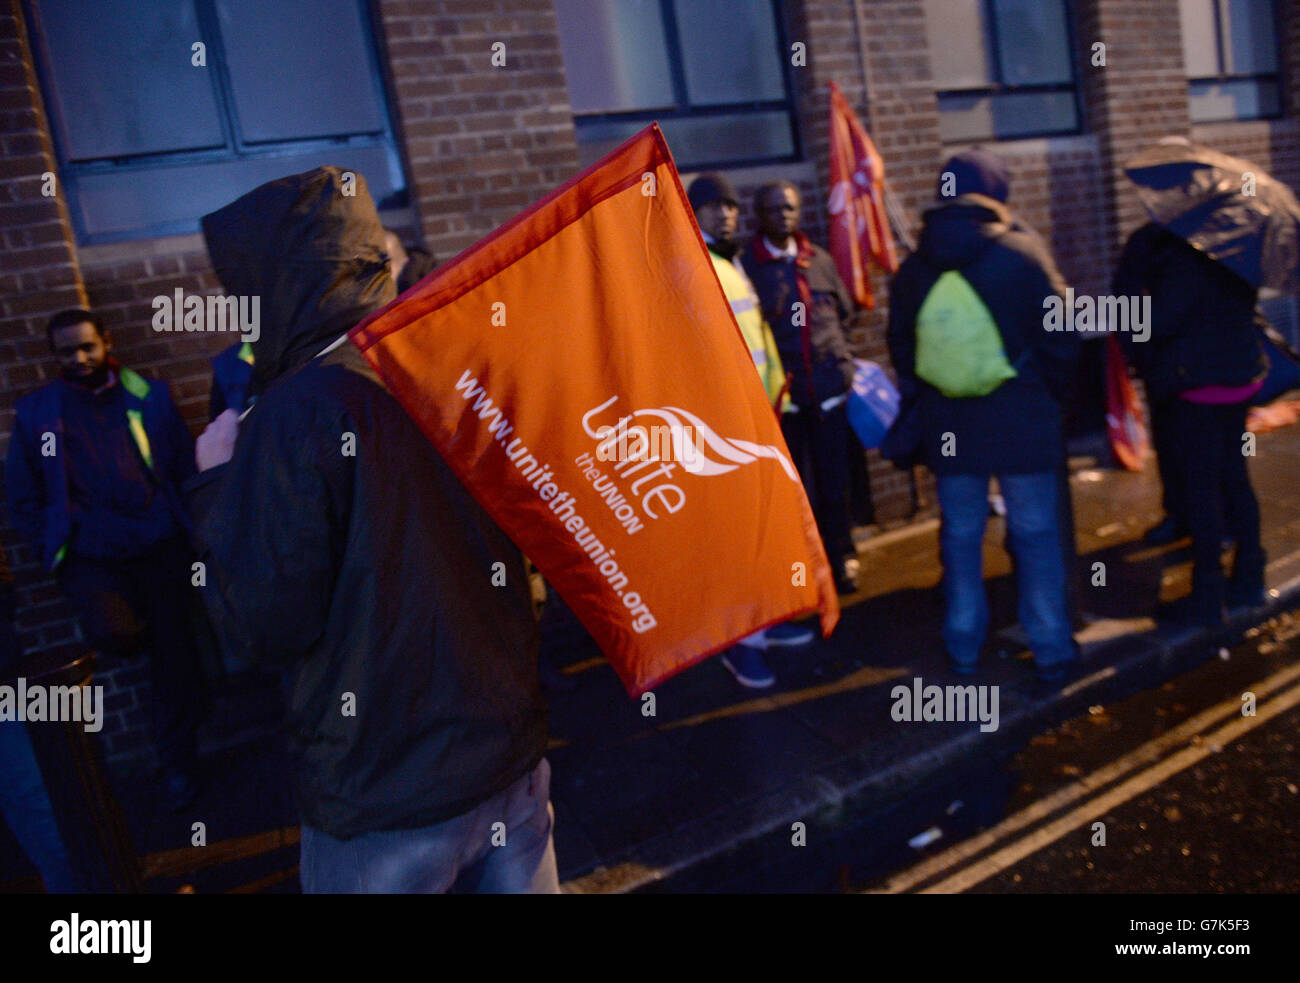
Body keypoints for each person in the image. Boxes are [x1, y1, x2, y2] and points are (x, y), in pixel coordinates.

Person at [190, 166, 555, 893]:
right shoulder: (453, 364)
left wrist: (217, 481)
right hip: (510, 765)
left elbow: (263, 626)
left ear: (273, 287)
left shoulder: (293, 413)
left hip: (388, 795)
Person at [886, 149, 1080, 680]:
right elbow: (1062, 341)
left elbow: (902, 349)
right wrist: (1048, 396)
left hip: (951, 427)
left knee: (961, 535)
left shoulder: (913, 268)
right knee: (1036, 534)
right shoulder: (1022, 255)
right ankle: (1051, 648)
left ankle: (964, 645)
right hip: (1022, 419)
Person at [5, 309, 205, 806]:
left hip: (160, 547)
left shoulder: (148, 397)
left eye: (86, 347)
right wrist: (53, 548)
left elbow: (182, 466)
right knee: (115, 633)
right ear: (53, 356)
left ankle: (179, 767)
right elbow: (23, 495)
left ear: (106, 341)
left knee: (175, 664)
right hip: (94, 559)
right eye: (66, 351)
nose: (78, 358)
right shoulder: (39, 414)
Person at [689, 172, 815, 689]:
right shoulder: (693, 265)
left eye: (731, 205)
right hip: (724, 427)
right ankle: (742, 646)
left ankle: (768, 619)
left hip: (758, 419)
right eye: (712, 207)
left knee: (761, 533)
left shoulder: (727, 259)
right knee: (738, 541)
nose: (726, 214)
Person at [1115, 222, 1268, 627]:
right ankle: (1250, 577)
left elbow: (1159, 321)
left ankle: (1208, 594)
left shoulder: (1177, 252)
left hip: (1197, 384)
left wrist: (1143, 355)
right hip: (1240, 375)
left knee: (1200, 487)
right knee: (1235, 475)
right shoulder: (1237, 239)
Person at [743, 181, 861, 595]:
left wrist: (838, 366)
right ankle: (803, 568)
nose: (784, 216)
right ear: (760, 215)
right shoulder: (748, 269)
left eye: (790, 208)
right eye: (775, 209)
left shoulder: (820, 261)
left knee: (835, 482)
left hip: (827, 394)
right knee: (795, 490)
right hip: (784, 403)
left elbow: (845, 315)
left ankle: (842, 556)